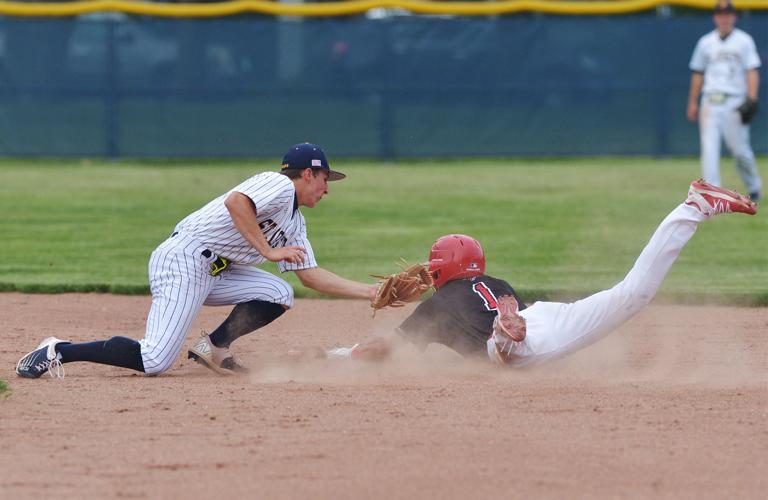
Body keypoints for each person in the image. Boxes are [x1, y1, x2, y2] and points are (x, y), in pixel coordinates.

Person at [16, 143, 379, 379]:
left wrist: (371, 292)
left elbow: (310, 276)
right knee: (154, 361)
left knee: (279, 292)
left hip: (217, 273)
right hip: (185, 260)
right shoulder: (278, 185)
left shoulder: (296, 222)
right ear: (307, 173)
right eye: (325, 178)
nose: (328, 187)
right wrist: (268, 253)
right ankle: (58, 349)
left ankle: (215, 348)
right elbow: (237, 202)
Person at [326, 179, 757, 366]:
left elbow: (385, 349)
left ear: (442, 272)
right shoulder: (494, 284)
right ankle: (692, 206)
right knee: (631, 293)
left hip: (522, 342)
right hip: (541, 314)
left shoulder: (438, 305)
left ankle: (503, 336)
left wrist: (339, 356)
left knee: (509, 354)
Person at [686, 0, 762, 202]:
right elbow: (698, 74)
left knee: (740, 151)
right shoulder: (705, 42)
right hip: (710, 101)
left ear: (734, 17)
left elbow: (752, 71)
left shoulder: (744, 41)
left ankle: (754, 186)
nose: (724, 18)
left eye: (728, 14)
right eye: (720, 14)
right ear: (715, 17)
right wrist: (693, 102)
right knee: (709, 149)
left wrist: (752, 99)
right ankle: (713, 197)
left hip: (735, 102)